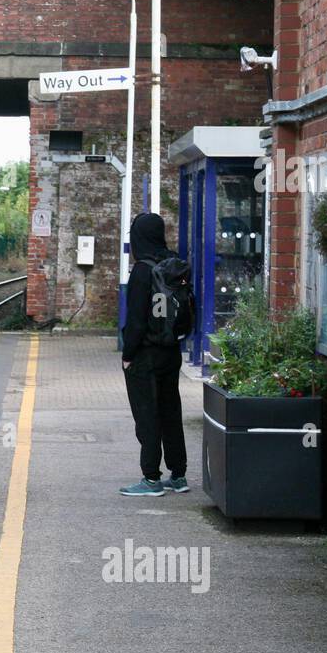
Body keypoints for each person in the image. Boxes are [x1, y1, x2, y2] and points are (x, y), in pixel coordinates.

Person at [119, 212, 189, 497]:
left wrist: (128, 354)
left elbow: (136, 321)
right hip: (172, 352)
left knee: (147, 415)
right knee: (171, 411)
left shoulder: (142, 271)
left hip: (146, 355)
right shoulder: (174, 265)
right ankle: (178, 475)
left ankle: (150, 479)